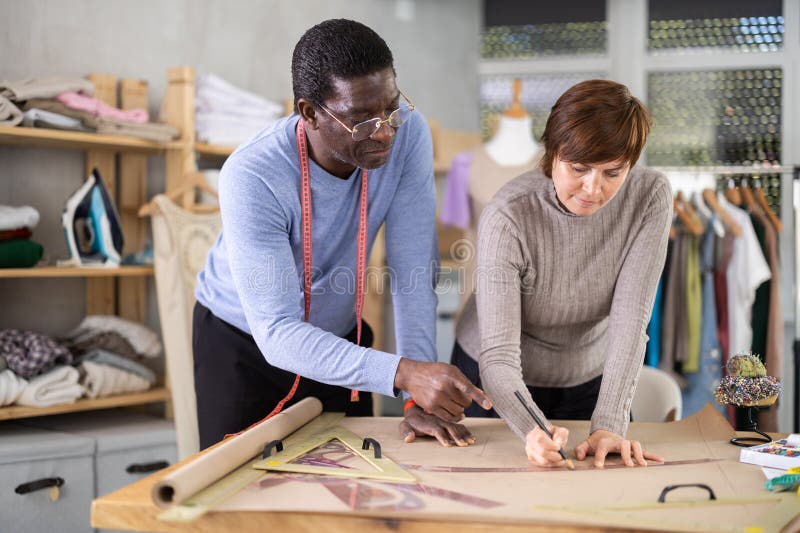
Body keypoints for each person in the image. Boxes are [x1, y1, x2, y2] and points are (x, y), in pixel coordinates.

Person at [193, 19, 491, 450]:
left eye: (391, 108)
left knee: (353, 489)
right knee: (243, 500)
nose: (384, 131)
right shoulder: (253, 174)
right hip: (245, 345)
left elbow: (412, 276)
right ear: (309, 113)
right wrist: (403, 373)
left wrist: (415, 399)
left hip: (340, 339)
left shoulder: (407, 135)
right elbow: (276, 330)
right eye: (360, 120)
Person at [451, 79, 672, 468]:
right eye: (579, 168)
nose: (593, 188)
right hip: (497, 376)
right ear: (552, 153)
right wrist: (532, 428)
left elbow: (630, 321)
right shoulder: (509, 215)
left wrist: (610, 424)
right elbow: (499, 355)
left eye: (613, 172)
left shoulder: (649, 196)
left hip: (589, 370)